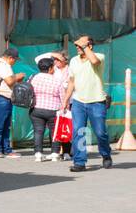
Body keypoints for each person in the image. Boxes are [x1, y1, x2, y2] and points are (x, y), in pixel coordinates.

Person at [62, 34, 113, 172]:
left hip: (97, 101)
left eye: (81, 45)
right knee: (79, 131)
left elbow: (94, 61)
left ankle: (106, 155)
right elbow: (72, 81)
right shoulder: (73, 61)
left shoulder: (99, 56)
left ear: (89, 46)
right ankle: (79, 162)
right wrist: (66, 99)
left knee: (100, 132)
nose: (78, 47)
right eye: (77, 45)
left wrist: (85, 46)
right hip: (78, 102)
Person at [28, 52, 67, 162]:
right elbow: (62, 96)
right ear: (50, 68)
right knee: (54, 131)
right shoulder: (57, 80)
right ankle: (55, 153)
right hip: (53, 110)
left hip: (36, 109)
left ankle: (38, 154)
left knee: (38, 131)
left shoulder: (33, 78)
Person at [0, 45, 24, 159]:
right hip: (1, 98)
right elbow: (9, 81)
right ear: (10, 58)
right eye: (15, 60)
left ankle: (6, 150)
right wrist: (17, 76)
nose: (15, 62)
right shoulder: (2, 66)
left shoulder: (5, 65)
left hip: (5, 99)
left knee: (5, 126)